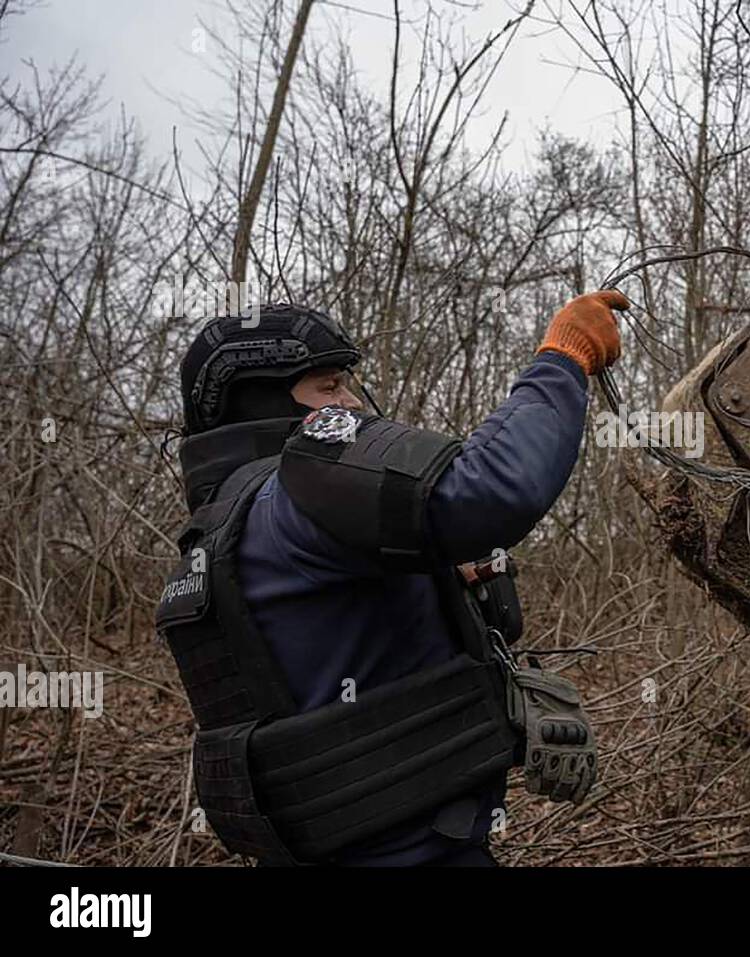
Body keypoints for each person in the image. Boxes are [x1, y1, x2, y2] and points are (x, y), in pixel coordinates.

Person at [155, 291, 629, 865]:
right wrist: (563, 358)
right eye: (329, 387)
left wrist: (432, 577)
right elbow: (488, 491)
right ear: (256, 403)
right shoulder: (296, 486)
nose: (353, 403)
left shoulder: (225, 529)